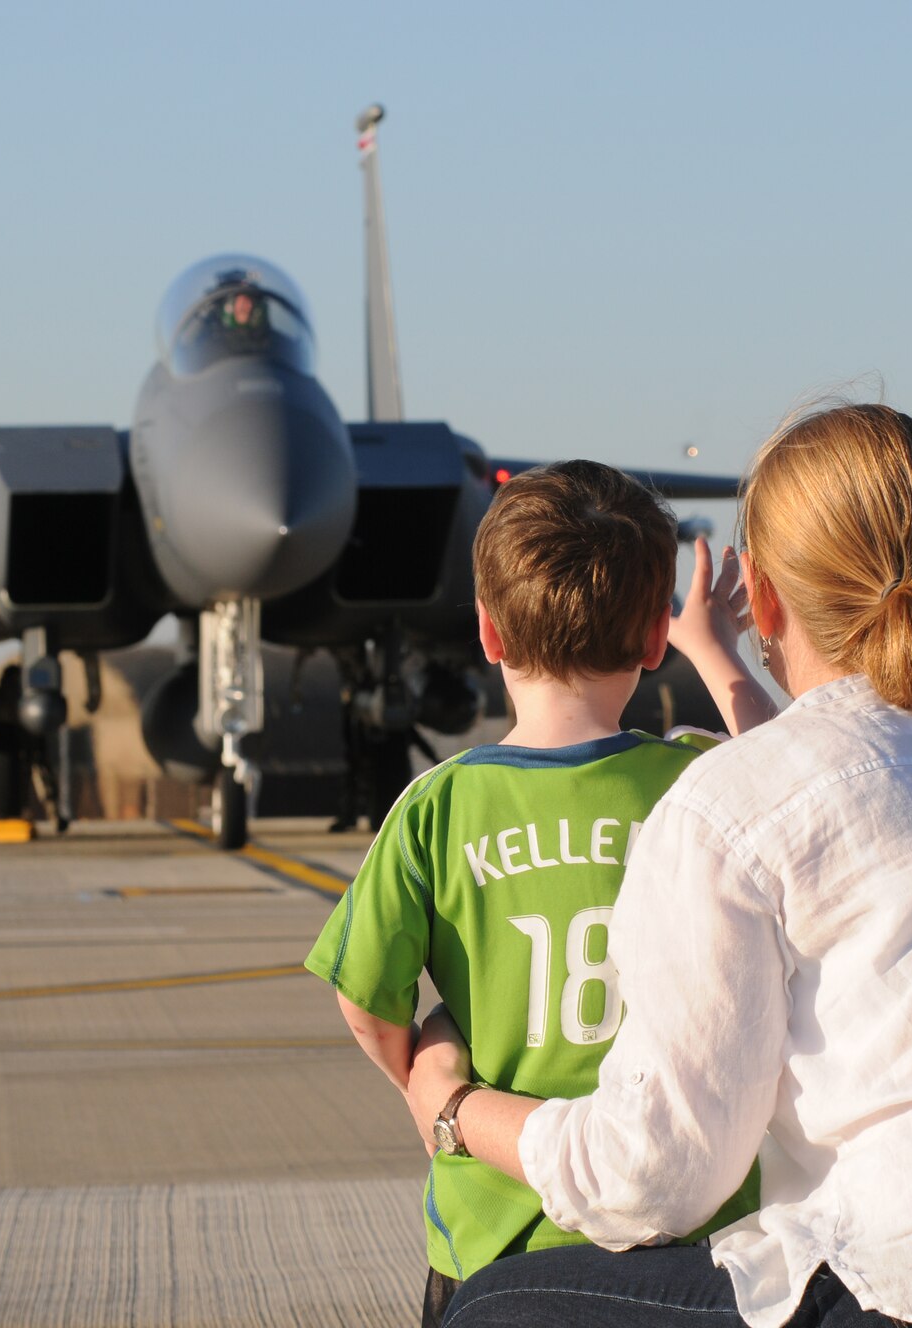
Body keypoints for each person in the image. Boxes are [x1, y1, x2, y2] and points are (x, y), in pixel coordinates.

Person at [402, 404, 912, 1328]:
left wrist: (453, 1107)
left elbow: (653, 1180)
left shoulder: (733, 801)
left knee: (499, 1306)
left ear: (763, 602)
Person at [303, 461, 774, 1328]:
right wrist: (717, 651)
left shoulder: (437, 806)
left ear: (488, 632)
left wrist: (432, 1097)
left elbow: (365, 1003)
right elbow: (795, 780)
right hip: (693, 1241)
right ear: (653, 639)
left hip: (498, 1244)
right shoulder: (702, 781)